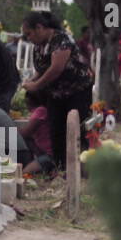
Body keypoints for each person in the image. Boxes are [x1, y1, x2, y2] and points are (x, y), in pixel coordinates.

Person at [20, 11, 93, 169]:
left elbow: (56, 68)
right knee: (56, 129)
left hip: (77, 90)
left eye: (29, 34)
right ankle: (60, 168)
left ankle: (81, 167)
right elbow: (41, 68)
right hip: (55, 93)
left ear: (39, 27)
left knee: (77, 128)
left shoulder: (61, 39)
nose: (28, 38)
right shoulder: (38, 47)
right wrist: (31, 80)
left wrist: (36, 85)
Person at [19, 88, 55, 175]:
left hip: (49, 155)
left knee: (24, 174)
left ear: (28, 100)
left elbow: (25, 133)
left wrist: (9, 127)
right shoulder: (42, 110)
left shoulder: (41, 111)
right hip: (43, 151)